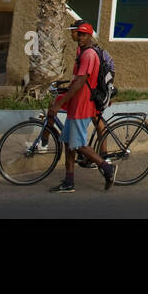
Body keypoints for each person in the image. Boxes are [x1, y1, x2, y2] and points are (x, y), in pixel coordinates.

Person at [46, 21, 115, 192]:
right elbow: (76, 81)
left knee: (78, 145)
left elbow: (79, 83)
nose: (80, 37)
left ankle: (106, 167)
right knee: (69, 144)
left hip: (83, 105)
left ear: (89, 36)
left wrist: (59, 104)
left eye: (84, 35)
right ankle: (69, 182)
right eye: (79, 34)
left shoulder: (88, 55)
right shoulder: (82, 52)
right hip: (76, 104)